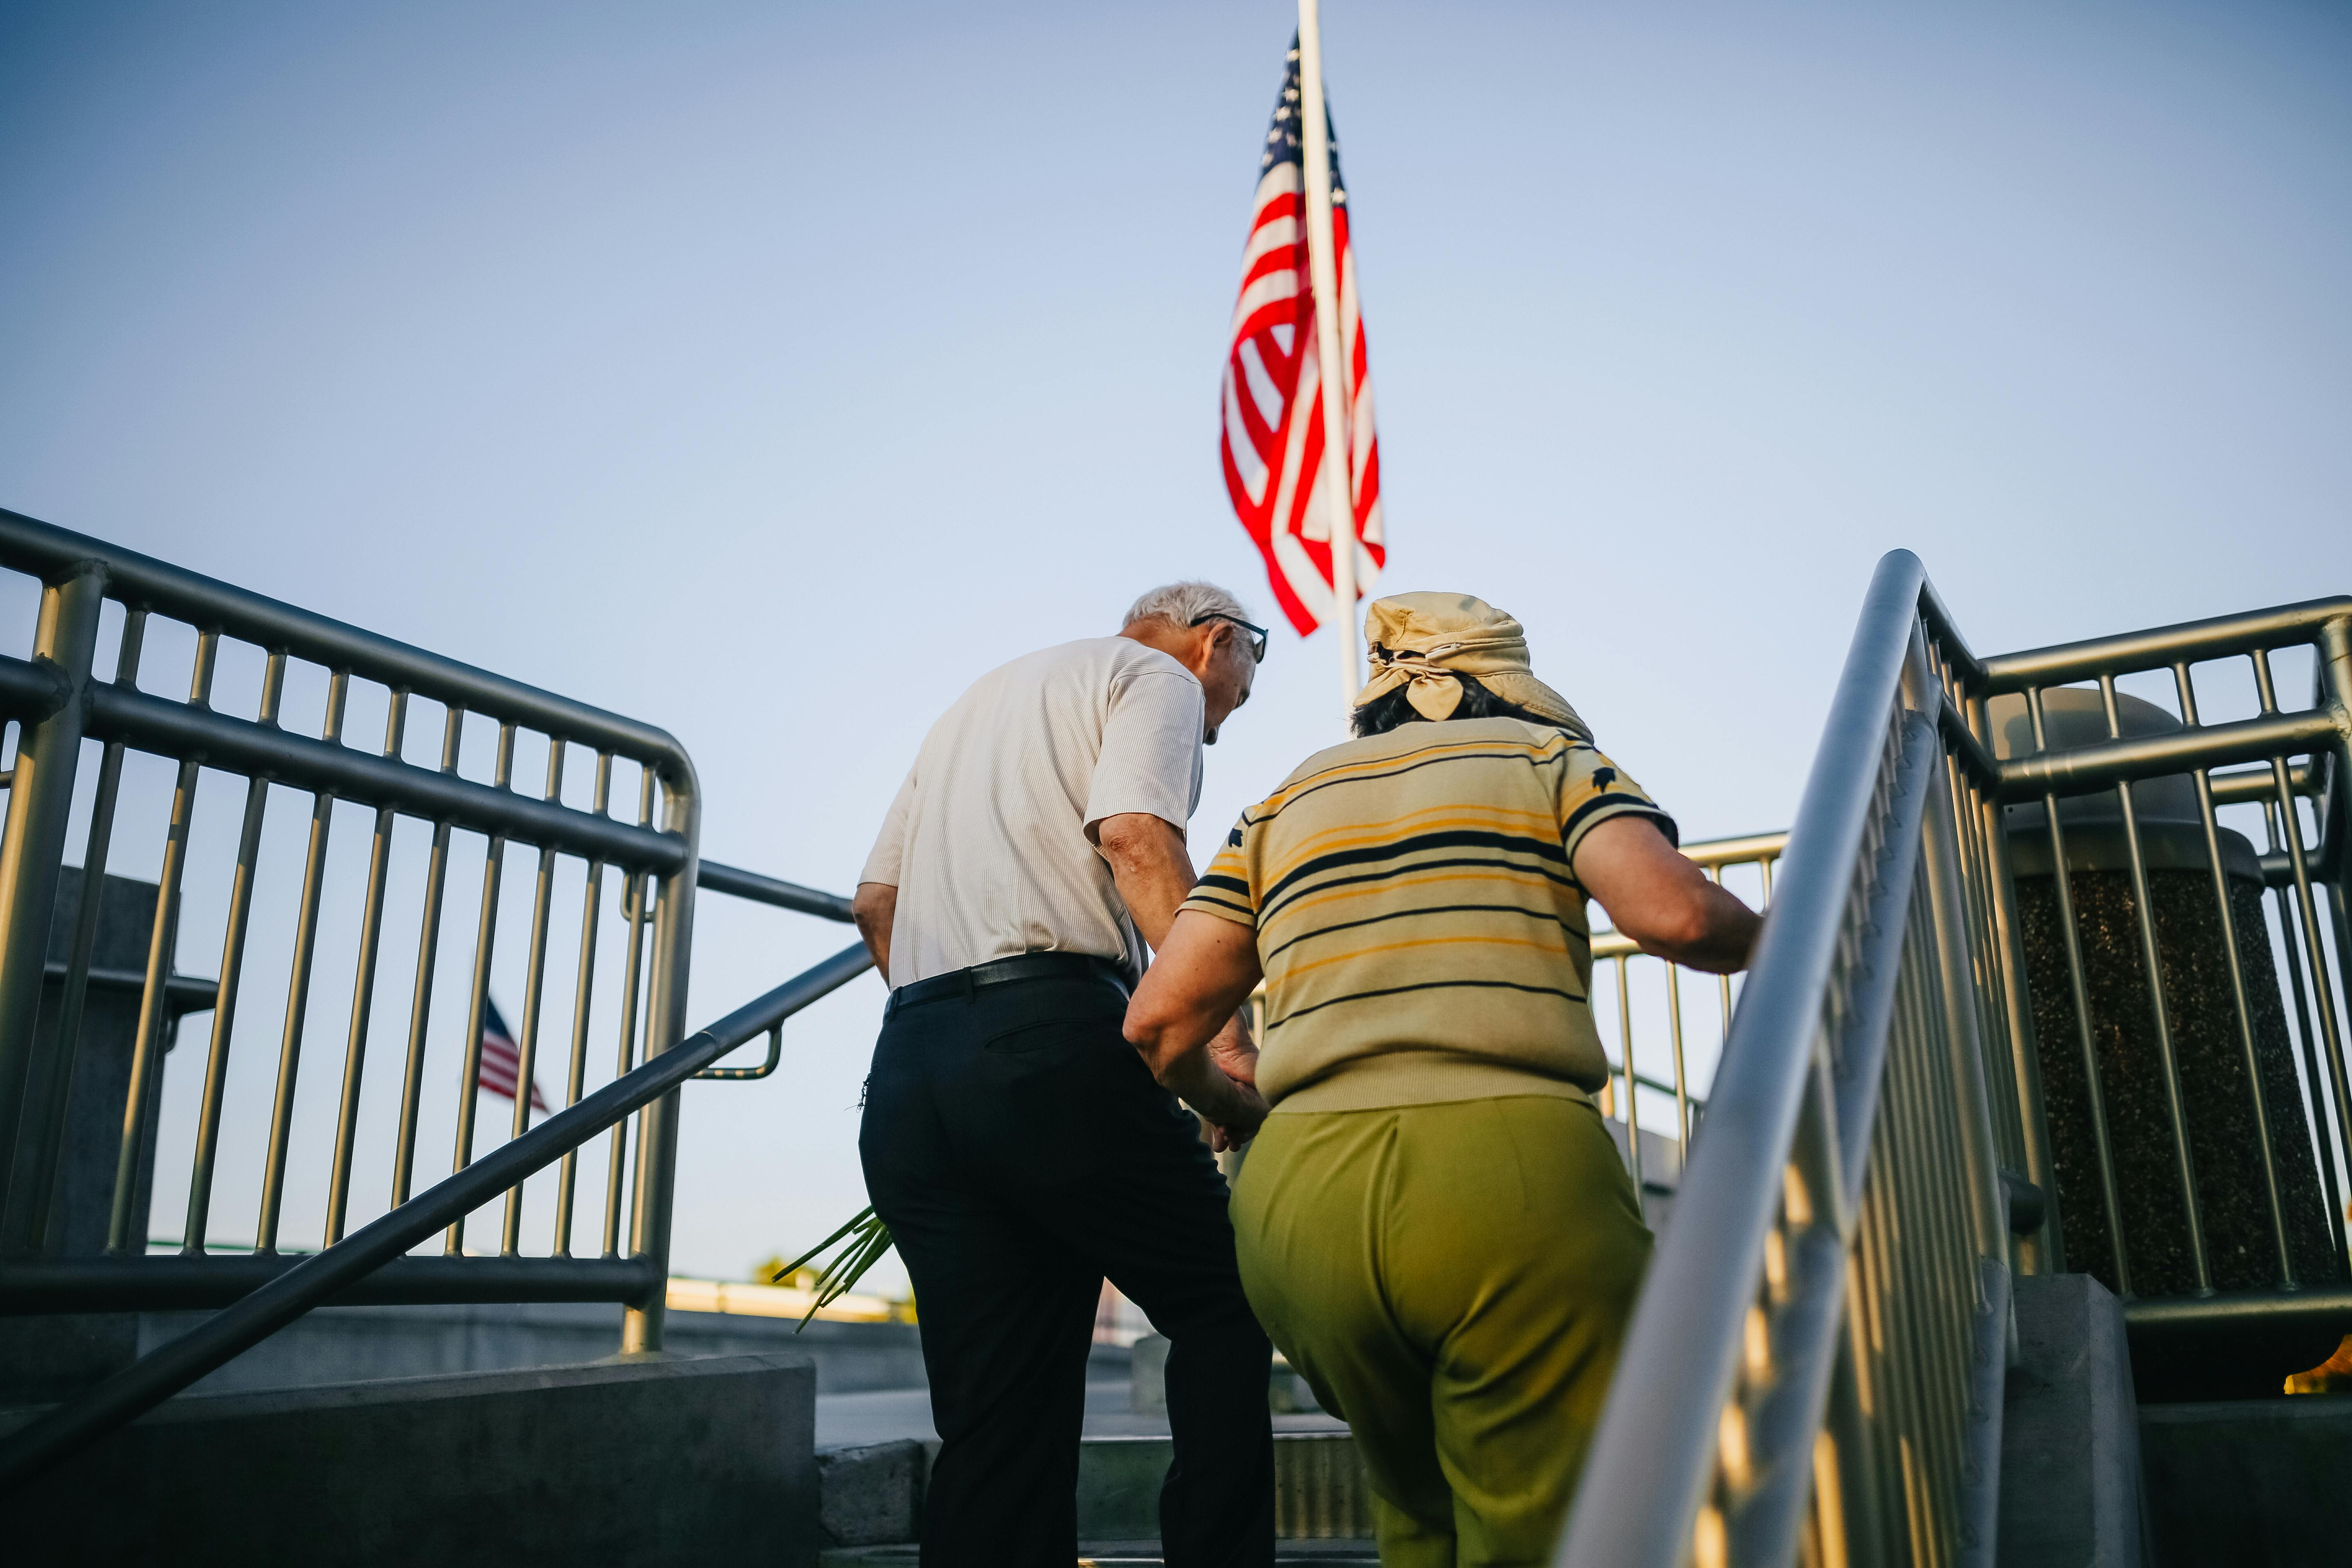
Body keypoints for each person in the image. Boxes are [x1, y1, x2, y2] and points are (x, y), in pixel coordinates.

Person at [1123, 591, 1762, 1568]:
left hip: (1301, 1206)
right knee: (1552, 1523)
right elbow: (1675, 916)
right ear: (1503, 688)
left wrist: (1231, 1109)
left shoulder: (1284, 801)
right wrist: (1789, 933)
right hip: (1507, 1178)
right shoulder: (1546, 758)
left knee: (1415, 1512)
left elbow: (1159, 1022)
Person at [851, 581, 1276, 1568]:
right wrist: (1222, 1039)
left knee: (1001, 1411)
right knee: (1225, 1304)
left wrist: (960, 1028)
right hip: (1050, 1039)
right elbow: (1135, 835)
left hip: (911, 1068)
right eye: (1235, 698)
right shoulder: (1154, 680)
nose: (1215, 729)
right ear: (1219, 643)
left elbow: (876, 903)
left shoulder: (974, 705)